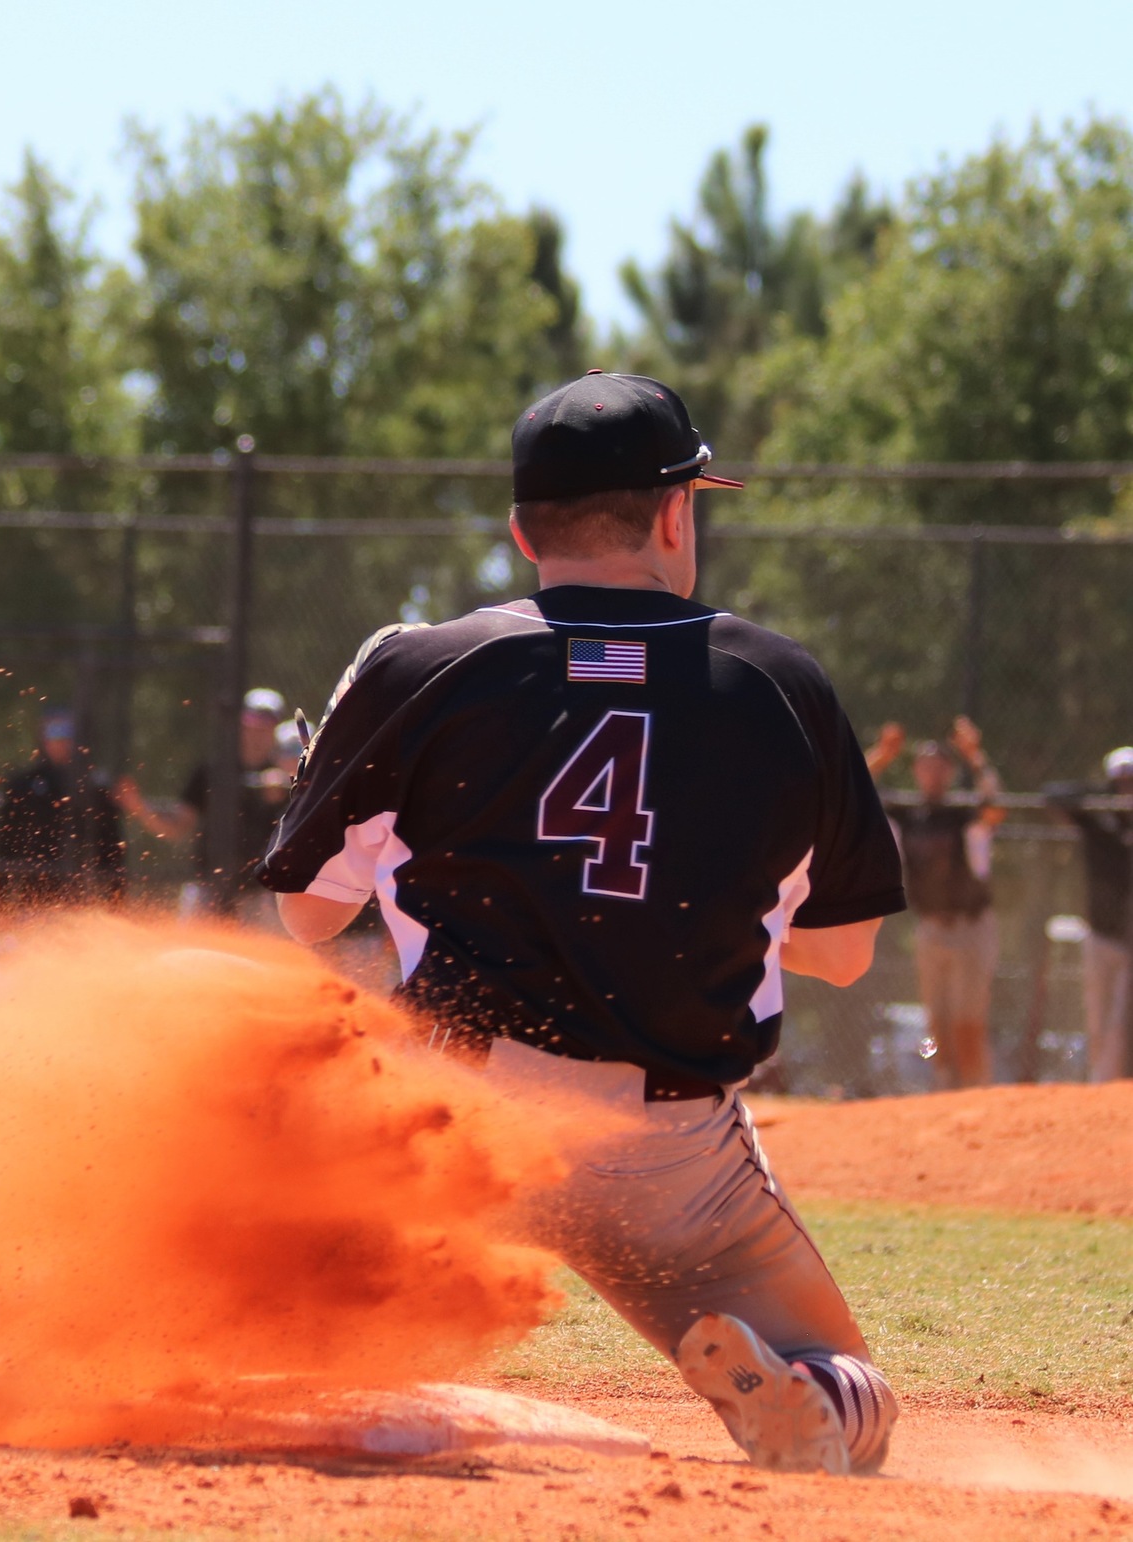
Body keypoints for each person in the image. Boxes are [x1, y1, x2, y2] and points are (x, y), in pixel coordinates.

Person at [261, 372, 905, 1477]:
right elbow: (845, 954)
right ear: (674, 516)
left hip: (454, 1121)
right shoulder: (777, 680)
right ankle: (810, 1397)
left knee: (257, 1225)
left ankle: (111, 1322)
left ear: (522, 531)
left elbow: (309, 917)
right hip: (667, 1152)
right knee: (852, 1386)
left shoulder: (423, 665)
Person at [867, 719, 1005, 1088]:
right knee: (937, 1022)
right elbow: (854, 791)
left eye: (940, 765)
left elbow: (995, 807)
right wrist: (883, 754)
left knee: (967, 1021)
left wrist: (975, 756)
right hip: (930, 928)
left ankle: (976, 1092)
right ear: (915, 772)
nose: (932, 773)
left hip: (970, 927)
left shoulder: (961, 812)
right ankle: (944, 1093)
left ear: (951, 771)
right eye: (925, 765)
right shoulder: (909, 813)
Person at [120, 687, 291, 921]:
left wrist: (288, 789)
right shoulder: (211, 771)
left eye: (267, 723)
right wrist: (140, 810)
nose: (257, 731)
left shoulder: (286, 774)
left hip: (260, 894)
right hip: (208, 887)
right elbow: (178, 826)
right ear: (240, 724)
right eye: (252, 721)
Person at [0, 708, 127, 916]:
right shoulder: (22, 785)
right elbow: (5, 848)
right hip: (33, 900)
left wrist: (116, 905)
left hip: (84, 903)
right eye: (54, 732)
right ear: (42, 738)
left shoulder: (97, 789)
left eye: (68, 732)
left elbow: (113, 852)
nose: (61, 741)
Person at [1050, 746, 1133, 1081]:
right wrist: (1100, 793)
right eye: (1120, 782)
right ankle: (1100, 1085)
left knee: (1123, 1022)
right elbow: (1055, 795)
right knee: (1099, 1016)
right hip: (1100, 932)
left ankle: (1120, 1084)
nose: (1127, 788)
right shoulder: (1098, 820)